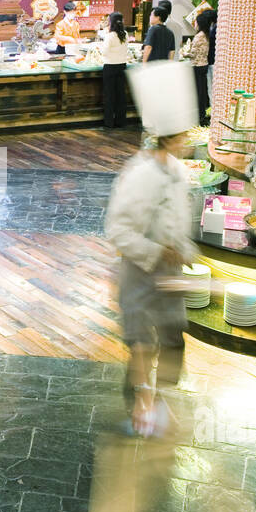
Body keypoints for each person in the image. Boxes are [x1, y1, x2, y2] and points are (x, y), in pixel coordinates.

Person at [105, 61, 200, 437]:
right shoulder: (141, 174)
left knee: (173, 340)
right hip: (140, 273)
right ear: (169, 137)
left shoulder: (175, 169)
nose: (187, 140)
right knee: (143, 343)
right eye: (183, 135)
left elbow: (177, 222)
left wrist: (185, 252)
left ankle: (158, 400)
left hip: (168, 274)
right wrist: (158, 252)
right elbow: (119, 230)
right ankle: (141, 407)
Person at [101, 12, 130, 129]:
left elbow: (104, 52)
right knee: (120, 94)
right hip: (122, 66)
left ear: (111, 22)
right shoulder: (125, 34)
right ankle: (121, 120)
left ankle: (109, 121)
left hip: (110, 66)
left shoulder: (110, 36)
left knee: (109, 95)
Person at [186, 9, 215, 125]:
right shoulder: (207, 34)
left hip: (197, 66)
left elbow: (193, 53)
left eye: (196, 22)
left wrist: (184, 54)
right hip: (204, 65)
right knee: (203, 91)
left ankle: (199, 116)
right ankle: (201, 114)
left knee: (198, 92)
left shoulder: (199, 36)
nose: (195, 24)